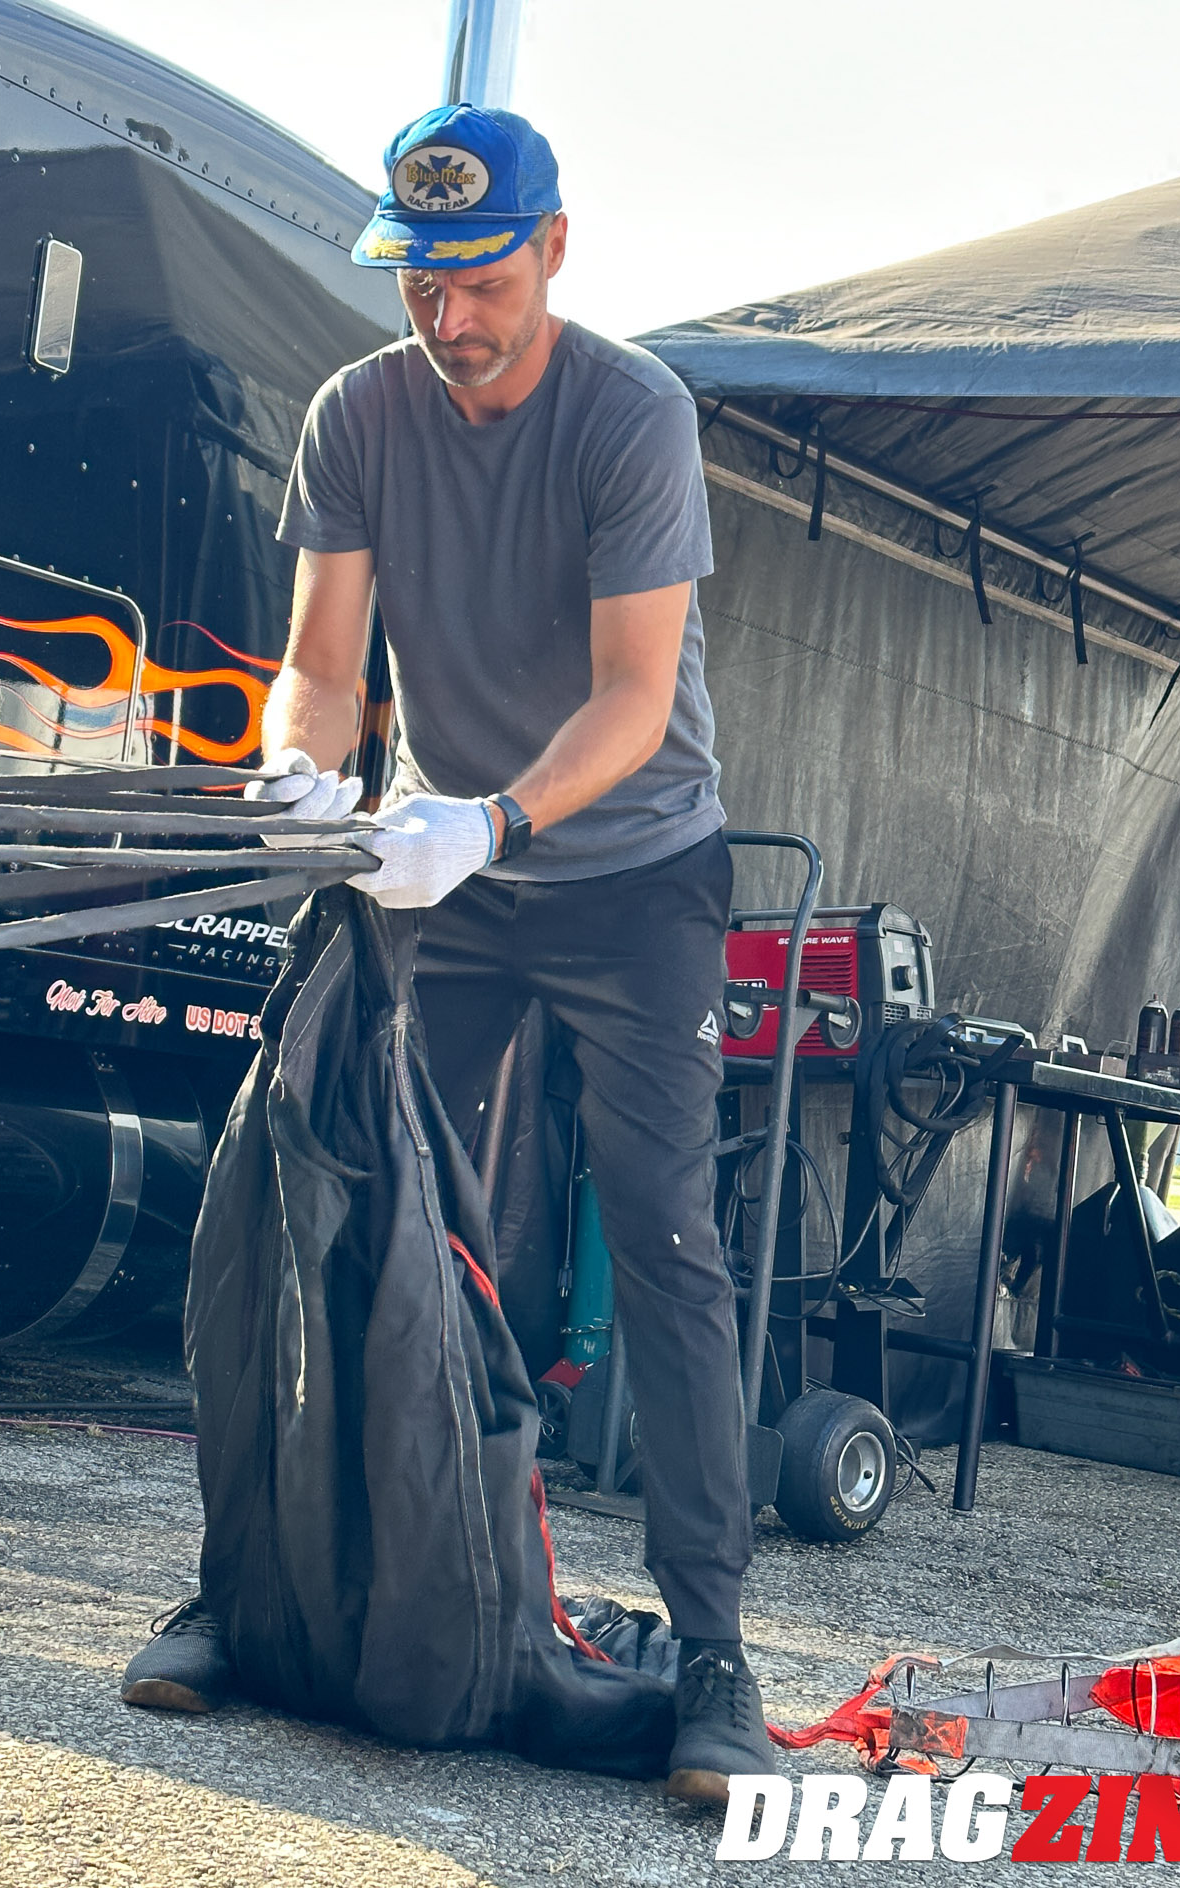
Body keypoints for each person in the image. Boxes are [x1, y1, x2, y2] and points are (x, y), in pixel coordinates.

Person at [123, 104, 772, 1801]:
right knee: (336, 1185)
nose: (447, 314)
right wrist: (305, 763)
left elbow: (635, 699)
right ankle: (255, 1589)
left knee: (665, 1239)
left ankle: (712, 1658)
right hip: (437, 869)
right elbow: (324, 661)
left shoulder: (633, 415)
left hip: (629, 871)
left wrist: (489, 818)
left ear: (553, 249)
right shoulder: (358, 414)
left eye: (479, 275)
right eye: (418, 278)